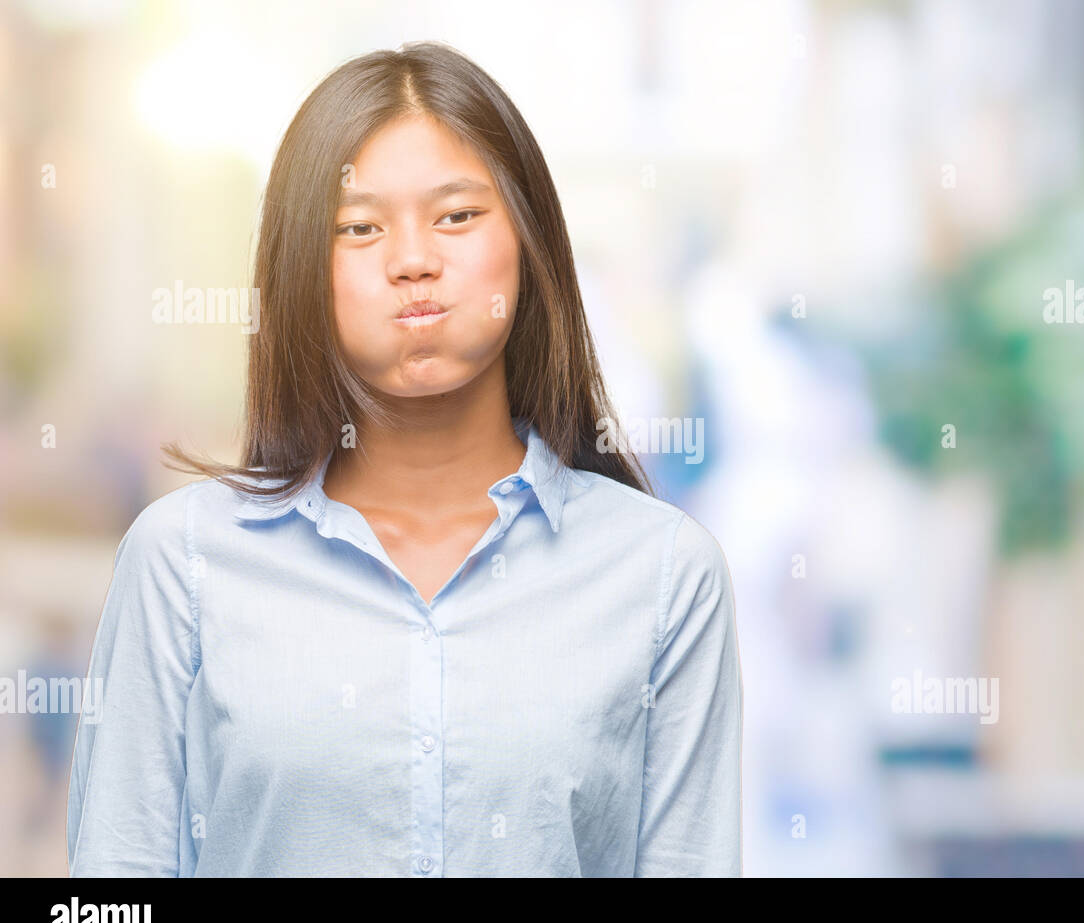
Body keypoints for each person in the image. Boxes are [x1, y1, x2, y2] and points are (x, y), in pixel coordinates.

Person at [66, 41, 742, 877]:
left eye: (457, 215)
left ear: (529, 243)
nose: (414, 260)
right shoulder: (183, 564)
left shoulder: (665, 575)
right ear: (300, 270)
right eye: (359, 228)